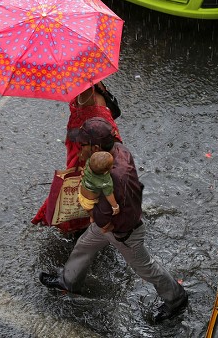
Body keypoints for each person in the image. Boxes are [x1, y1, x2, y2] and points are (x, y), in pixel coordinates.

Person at [39, 117, 188, 323]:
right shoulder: (117, 150)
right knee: (84, 246)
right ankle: (68, 282)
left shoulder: (115, 178)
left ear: (97, 147)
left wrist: (87, 203)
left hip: (122, 231)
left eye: (83, 145)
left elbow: (103, 216)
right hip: (109, 224)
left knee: (146, 268)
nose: (79, 149)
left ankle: (177, 298)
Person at [31, 82, 122, 233]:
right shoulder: (82, 91)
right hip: (78, 147)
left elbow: (112, 139)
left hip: (86, 153)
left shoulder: (96, 105)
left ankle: (79, 223)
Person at [78, 151, 120, 224]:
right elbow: (109, 195)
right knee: (93, 213)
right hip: (90, 202)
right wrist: (115, 206)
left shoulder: (88, 163)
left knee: (88, 209)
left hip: (81, 192)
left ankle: (91, 217)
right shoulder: (105, 181)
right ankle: (93, 219)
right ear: (107, 170)